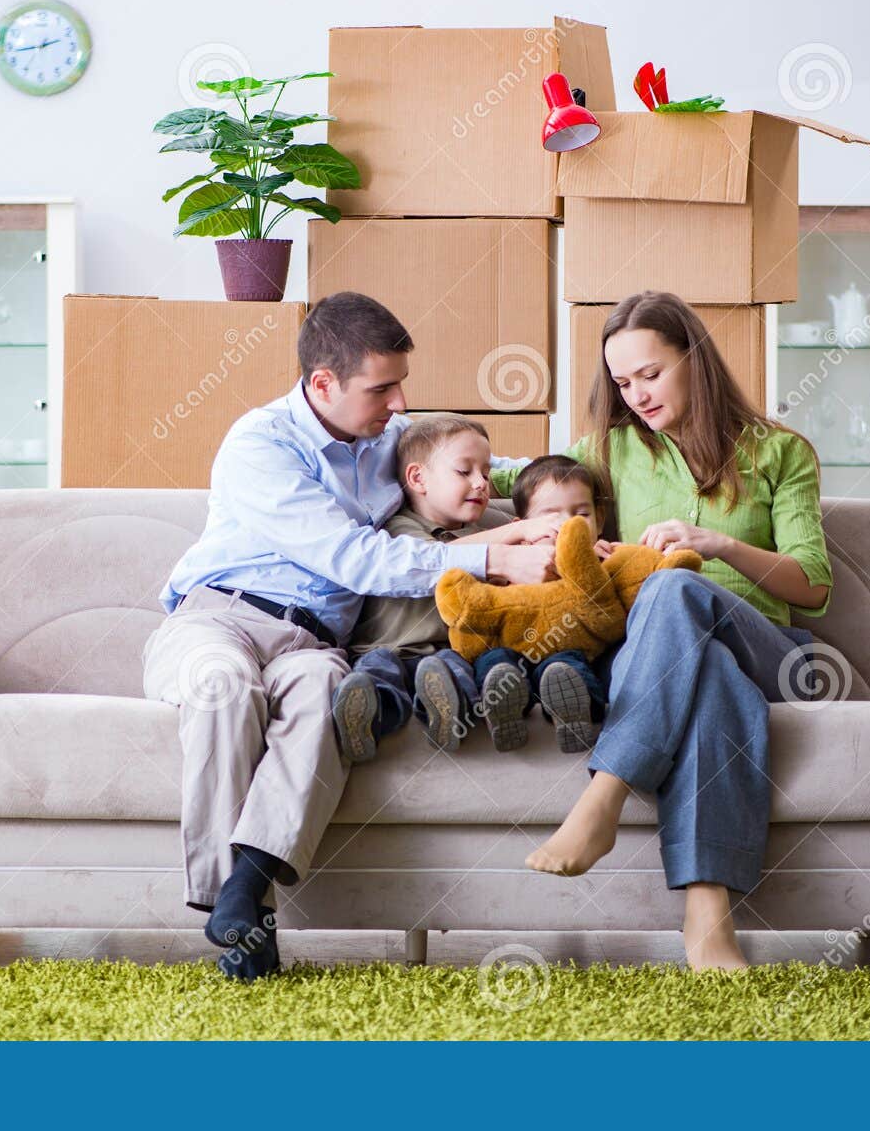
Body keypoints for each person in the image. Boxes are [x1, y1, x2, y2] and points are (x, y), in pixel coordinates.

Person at [145, 292, 554, 982]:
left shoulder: (391, 438)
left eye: (401, 385)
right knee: (225, 687)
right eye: (383, 388)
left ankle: (244, 893)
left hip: (314, 646)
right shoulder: (261, 443)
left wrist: (565, 486)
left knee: (327, 700)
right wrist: (494, 556)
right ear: (323, 384)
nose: (401, 404)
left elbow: (480, 465)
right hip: (220, 617)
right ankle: (239, 908)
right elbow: (353, 559)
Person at [491, 290, 834, 973]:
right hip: (674, 658)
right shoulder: (606, 452)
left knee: (675, 582)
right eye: (622, 382)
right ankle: (708, 924)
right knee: (708, 680)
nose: (637, 394)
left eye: (650, 374)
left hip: (770, 646)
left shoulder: (779, 451)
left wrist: (718, 545)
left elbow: (814, 586)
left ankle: (606, 794)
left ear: (695, 359)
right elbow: (504, 478)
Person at [335, 413, 562, 761]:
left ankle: (444, 717)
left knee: (450, 671)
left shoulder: (480, 530)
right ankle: (365, 717)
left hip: (445, 652)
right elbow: (435, 559)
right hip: (386, 649)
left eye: (485, 473)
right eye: (464, 471)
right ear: (418, 478)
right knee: (376, 672)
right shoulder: (398, 529)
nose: (481, 483)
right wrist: (515, 533)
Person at [448, 455, 617, 754]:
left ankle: (575, 712)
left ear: (600, 520)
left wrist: (599, 564)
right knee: (495, 661)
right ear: (522, 528)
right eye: (551, 518)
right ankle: (506, 709)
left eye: (582, 515)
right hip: (513, 652)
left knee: (568, 666)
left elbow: (616, 608)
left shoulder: (603, 559)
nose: (567, 526)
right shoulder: (511, 561)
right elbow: (449, 558)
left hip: (569, 650)